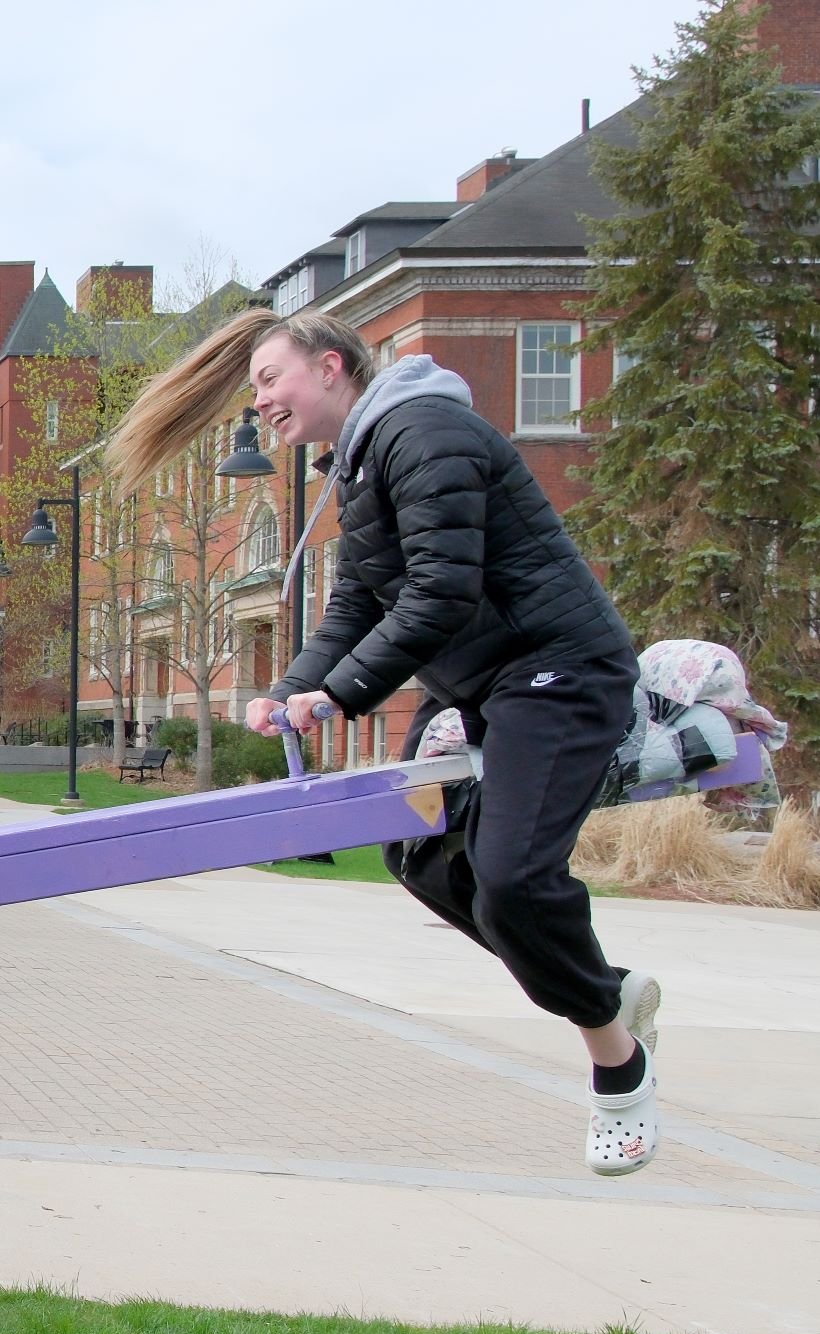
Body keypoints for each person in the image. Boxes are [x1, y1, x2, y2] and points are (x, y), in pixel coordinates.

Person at [107, 307, 660, 1176]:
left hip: (557, 672)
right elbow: (356, 606)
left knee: (513, 880)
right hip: (494, 690)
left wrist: (338, 691)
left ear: (329, 367)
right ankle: (605, 988)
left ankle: (617, 1062)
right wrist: (292, 689)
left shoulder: (424, 429)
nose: (259, 406)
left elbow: (441, 593)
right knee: (425, 859)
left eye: (268, 381)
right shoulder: (361, 464)